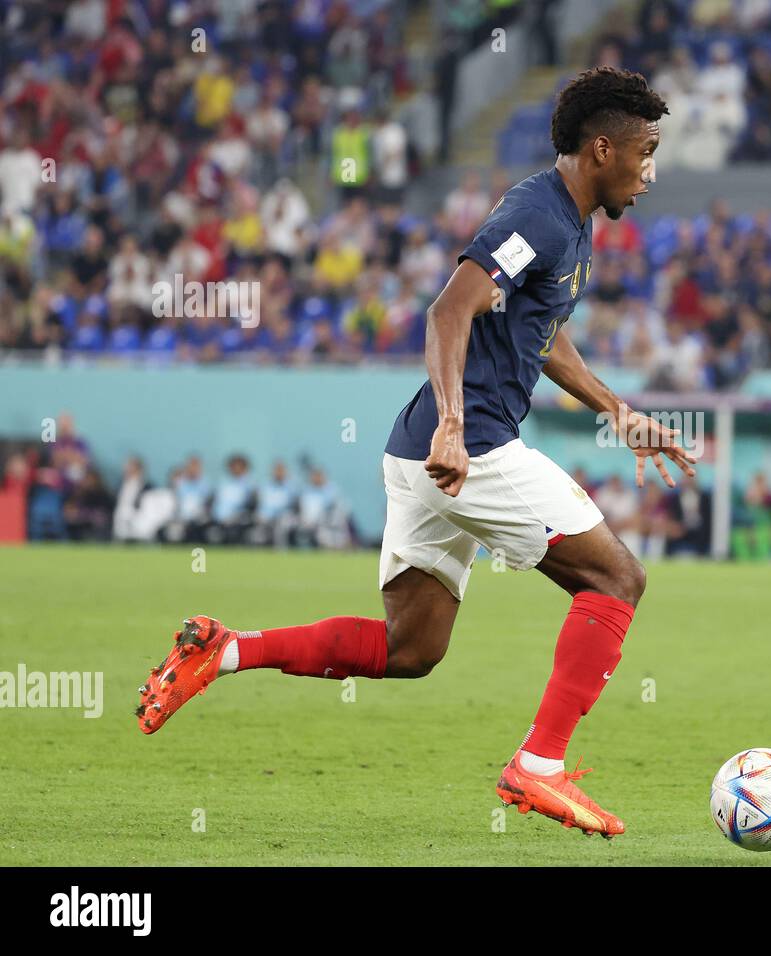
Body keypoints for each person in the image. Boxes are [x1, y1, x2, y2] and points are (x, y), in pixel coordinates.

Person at [136, 68, 692, 840]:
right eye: (646, 151)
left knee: (411, 649)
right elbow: (449, 308)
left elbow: (542, 328)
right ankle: (539, 767)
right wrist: (457, 427)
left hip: (418, 454)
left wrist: (615, 410)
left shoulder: (570, 219)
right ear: (603, 149)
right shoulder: (538, 213)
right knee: (617, 577)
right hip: (471, 450)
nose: (651, 170)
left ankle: (226, 651)